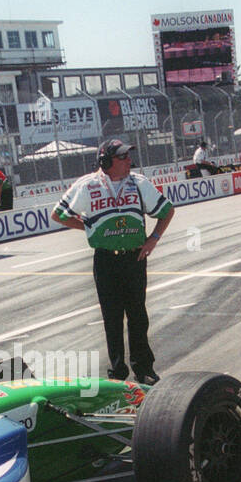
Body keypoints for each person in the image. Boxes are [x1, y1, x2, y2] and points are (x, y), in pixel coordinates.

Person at [52, 138, 174, 383]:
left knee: (138, 315)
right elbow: (59, 214)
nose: (129, 161)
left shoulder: (139, 183)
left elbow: (167, 210)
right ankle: (117, 373)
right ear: (106, 161)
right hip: (106, 260)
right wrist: (89, 228)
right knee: (112, 317)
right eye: (123, 157)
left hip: (134, 258)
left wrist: (153, 239)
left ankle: (144, 369)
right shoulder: (87, 186)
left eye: (129, 156)